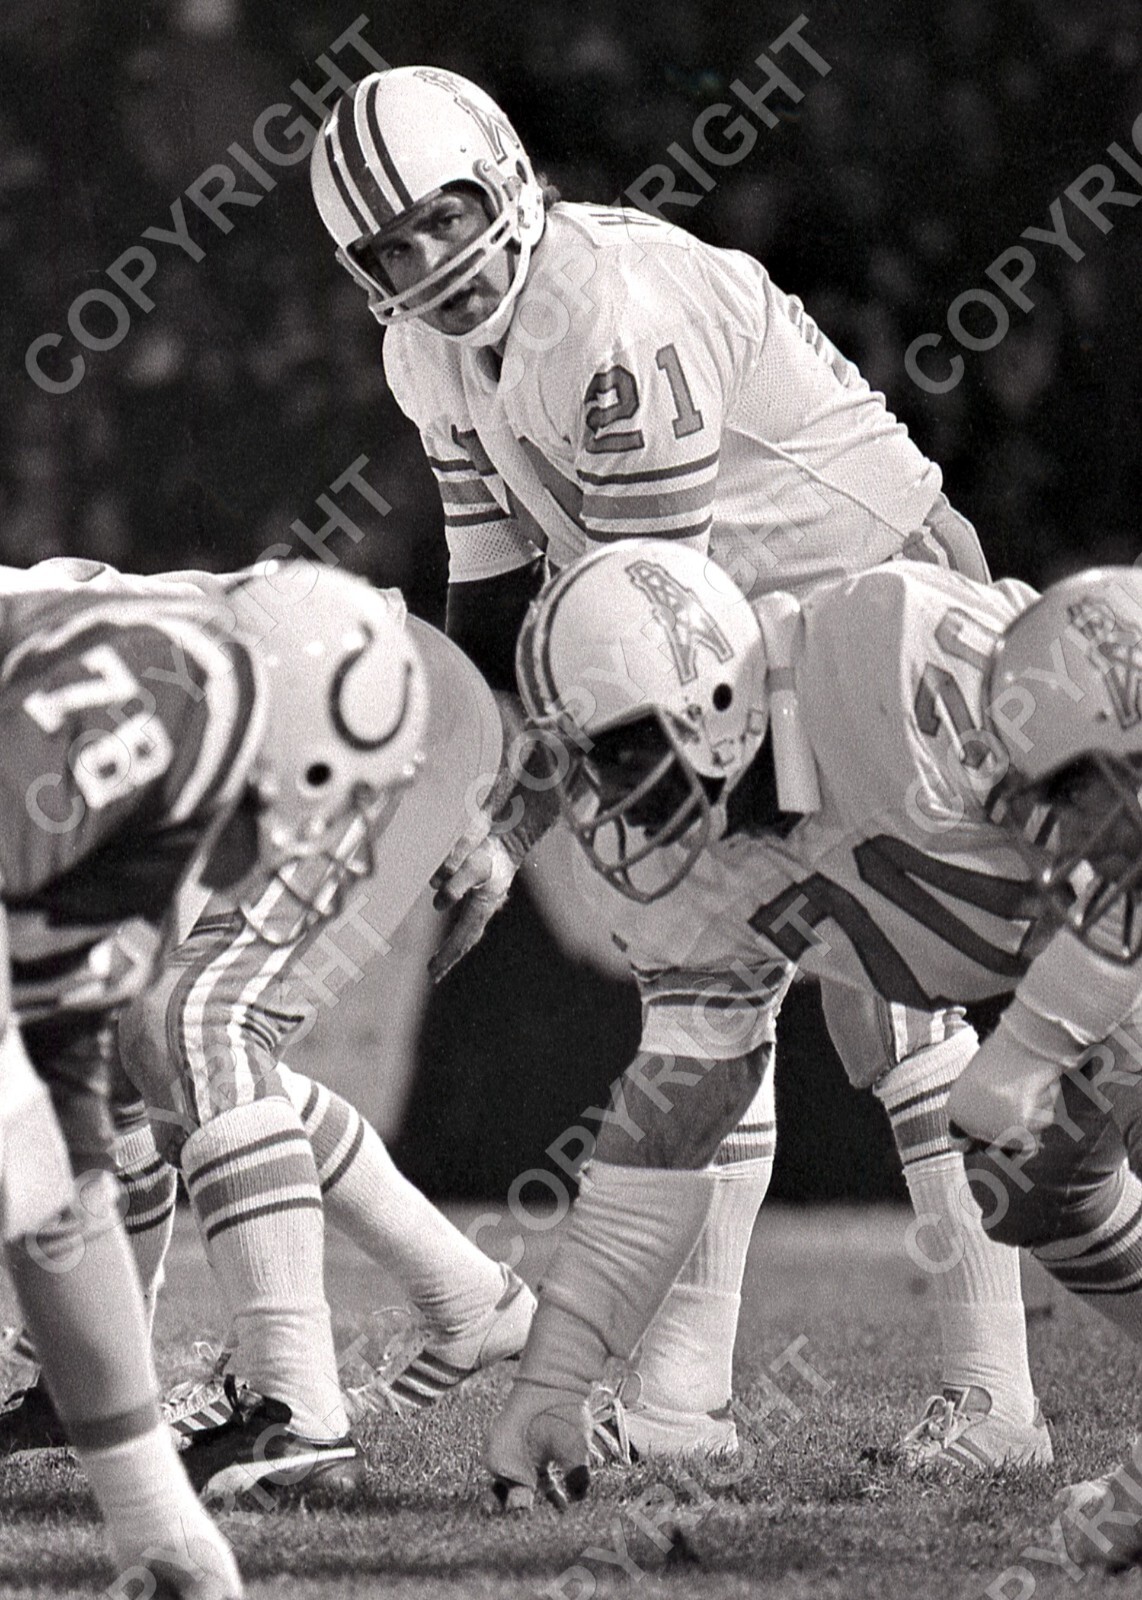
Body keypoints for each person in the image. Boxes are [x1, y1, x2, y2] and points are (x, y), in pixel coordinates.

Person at [308, 65, 1038, 1468]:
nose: (425, 266)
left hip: (859, 606)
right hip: (730, 624)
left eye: (439, 219)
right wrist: (480, 812)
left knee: (888, 1011)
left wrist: (507, 828)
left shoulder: (605, 318)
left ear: (504, 173)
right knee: (706, 988)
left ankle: (996, 1403)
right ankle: (683, 1405)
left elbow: (635, 622)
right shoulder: (431, 354)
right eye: (385, 250)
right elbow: (495, 597)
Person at [486, 539, 1142, 1506]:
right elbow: (666, 1133)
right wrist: (557, 1374)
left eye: (621, 753)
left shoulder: (891, 655)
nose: (604, 799)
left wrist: (1032, 1045)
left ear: (714, 704)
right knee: (1031, 1180)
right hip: (1095, 964)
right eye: (587, 765)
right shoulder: (694, 881)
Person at [0, 557, 536, 1506]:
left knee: (194, 1021)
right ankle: (472, 1304)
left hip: (360, 695)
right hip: (294, 708)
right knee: (140, 1042)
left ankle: (295, 1408)